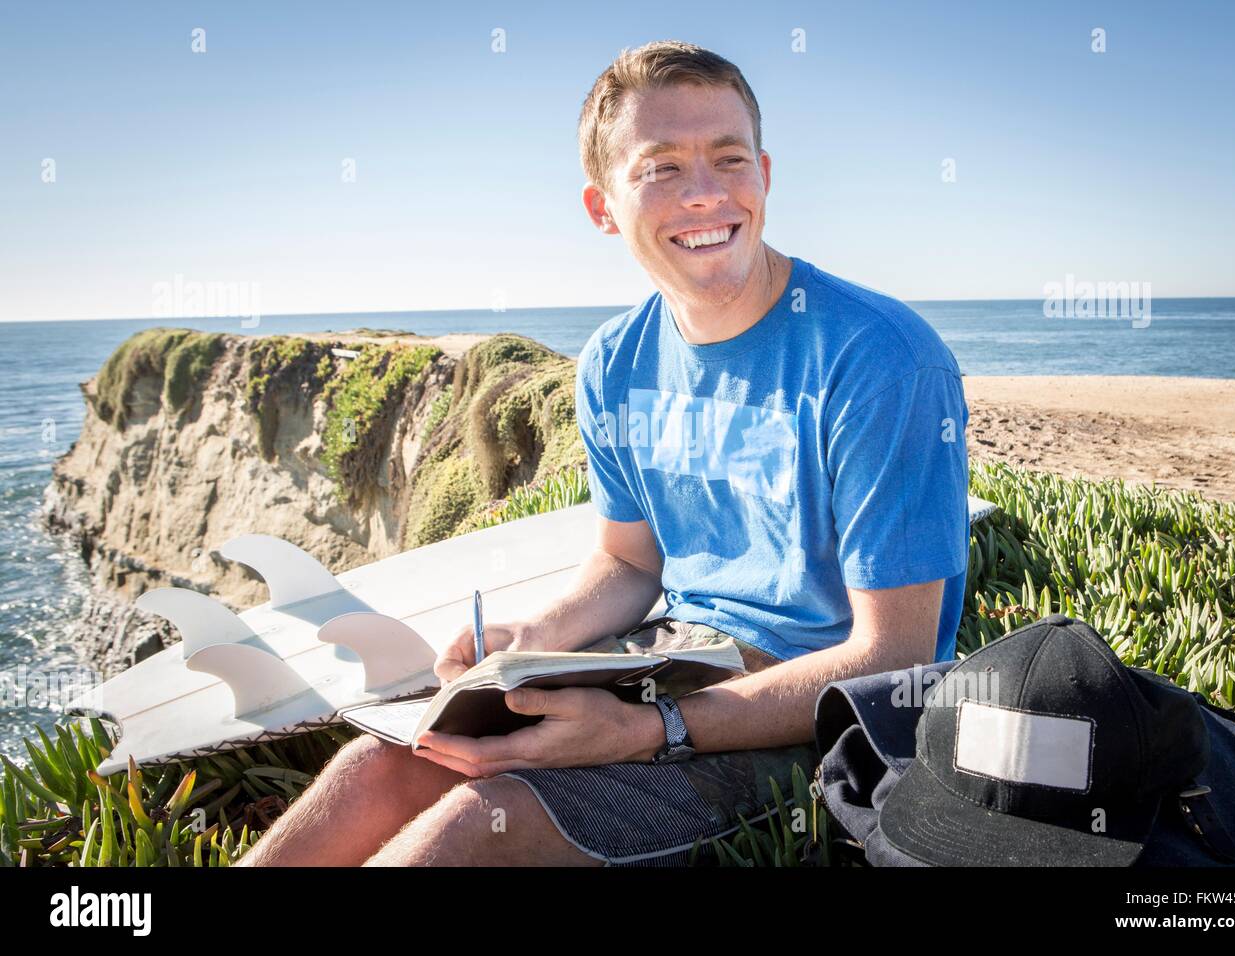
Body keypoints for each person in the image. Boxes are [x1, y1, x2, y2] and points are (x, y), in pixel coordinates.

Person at [238, 39, 970, 867]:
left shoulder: (881, 360)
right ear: (602, 206)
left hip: (804, 719)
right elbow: (627, 564)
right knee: (375, 769)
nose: (706, 193)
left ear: (764, 172)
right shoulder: (615, 363)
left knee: (476, 826)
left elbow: (899, 658)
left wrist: (646, 732)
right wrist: (529, 638)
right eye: (660, 168)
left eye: (729, 158)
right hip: (666, 662)